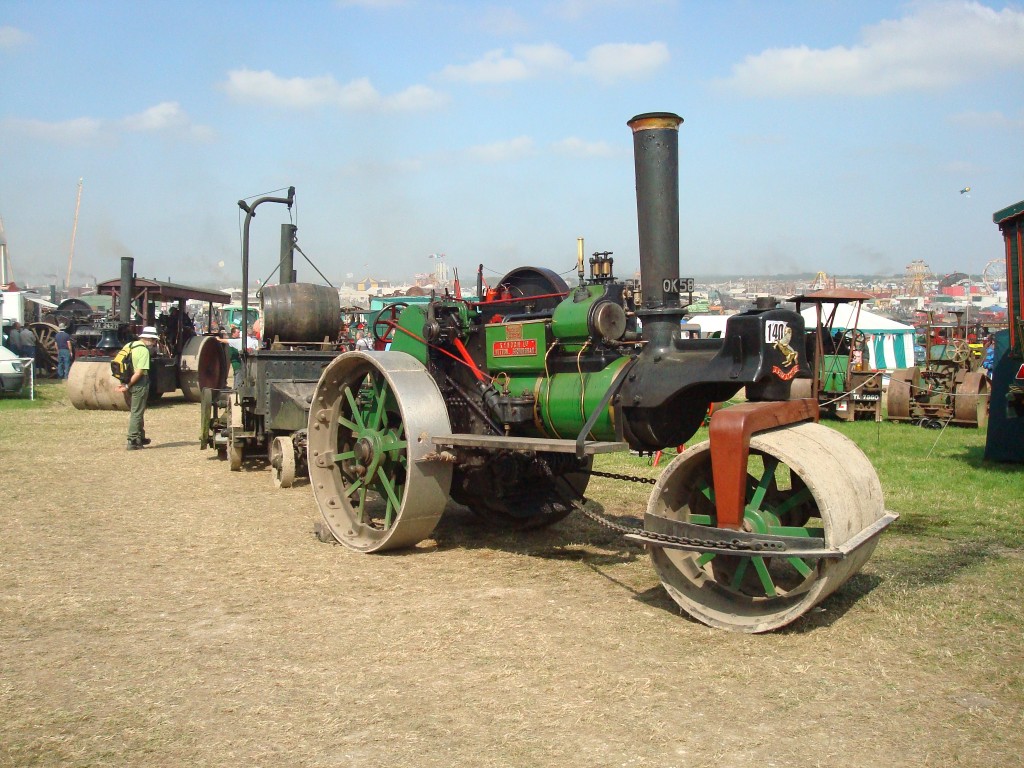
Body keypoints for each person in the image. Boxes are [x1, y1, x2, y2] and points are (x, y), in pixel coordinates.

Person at [116, 326, 159, 450]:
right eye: (154, 340)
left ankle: (140, 437)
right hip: (139, 382)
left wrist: (126, 384)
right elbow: (139, 372)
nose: (154, 343)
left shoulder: (129, 345)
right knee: (137, 412)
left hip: (127, 379)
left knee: (138, 410)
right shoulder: (144, 351)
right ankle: (133, 439)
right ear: (150, 339)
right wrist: (129, 384)